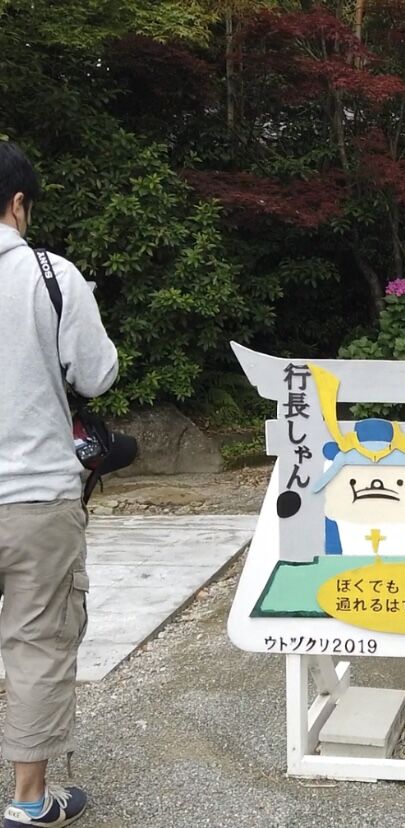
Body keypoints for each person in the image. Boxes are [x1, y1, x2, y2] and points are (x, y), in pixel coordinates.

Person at [0, 142, 118, 827]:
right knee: (38, 640)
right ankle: (28, 800)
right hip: (36, 493)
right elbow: (96, 374)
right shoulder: (52, 274)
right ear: (19, 203)